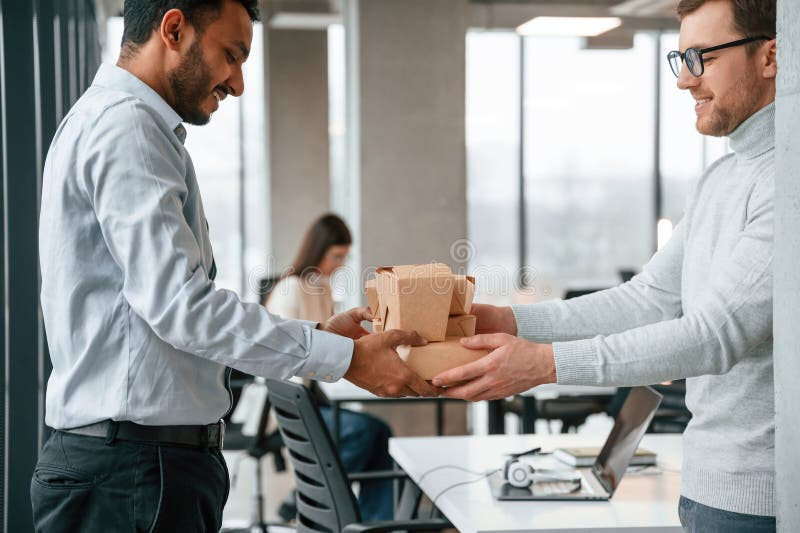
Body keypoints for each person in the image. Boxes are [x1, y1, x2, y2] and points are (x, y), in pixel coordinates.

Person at [31, 1, 436, 531]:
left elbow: (167, 317)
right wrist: (345, 358)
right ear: (173, 29)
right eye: (231, 55)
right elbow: (183, 309)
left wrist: (318, 337)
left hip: (135, 469)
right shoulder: (127, 129)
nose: (238, 84)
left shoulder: (114, 122)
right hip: (134, 474)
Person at [433, 1, 777, 532]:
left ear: (770, 56)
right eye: (680, 59)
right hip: (707, 489)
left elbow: (714, 337)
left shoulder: (786, 182)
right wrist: (511, 321)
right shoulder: (722, 178)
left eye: (702, 58)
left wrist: (546, 364)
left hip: (763, 501)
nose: (684, 80)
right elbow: (649, 299)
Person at [266, 213, 394, 521]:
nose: (339, 264)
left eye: (344, 257)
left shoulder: (322, 290)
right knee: (364, 432)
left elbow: (329, 343)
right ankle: (306, 499)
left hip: (314, 397)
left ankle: (375, 524)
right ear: (318, 250)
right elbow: (283, 356)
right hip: (290, 403)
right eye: (336, 256)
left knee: (380, 433)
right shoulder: (290, 289)